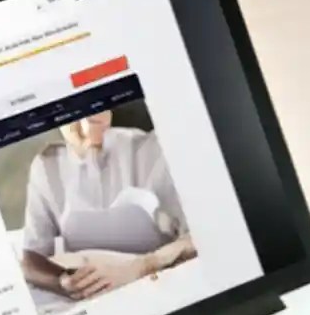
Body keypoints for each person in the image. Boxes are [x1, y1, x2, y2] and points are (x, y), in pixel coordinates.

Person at [19, 110, 197, 301]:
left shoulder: (153, 150)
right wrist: (63, 282)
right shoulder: (47, 166)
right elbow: (31, 258)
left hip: (157, 287)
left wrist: (140, 267)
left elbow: (200, 237)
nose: (85, 120)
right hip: (90, 297)